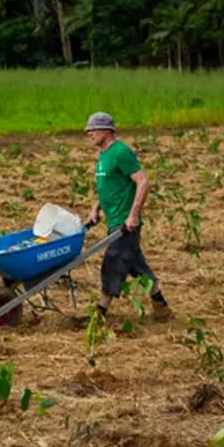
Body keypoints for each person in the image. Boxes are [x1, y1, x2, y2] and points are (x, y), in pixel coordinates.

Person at [84, 112, 172, 322]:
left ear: (107, 130)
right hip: (114, 219)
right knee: (135, 264)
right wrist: (96, 208)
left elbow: (142, 182)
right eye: (88, 131)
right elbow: (108, 185)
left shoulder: (120, 152)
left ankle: (100, 313)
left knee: (113, 262)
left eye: (93, 129)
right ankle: (161, 307)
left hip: (125, 222)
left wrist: (133, 215)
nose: (89, 134)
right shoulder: (104, 155)